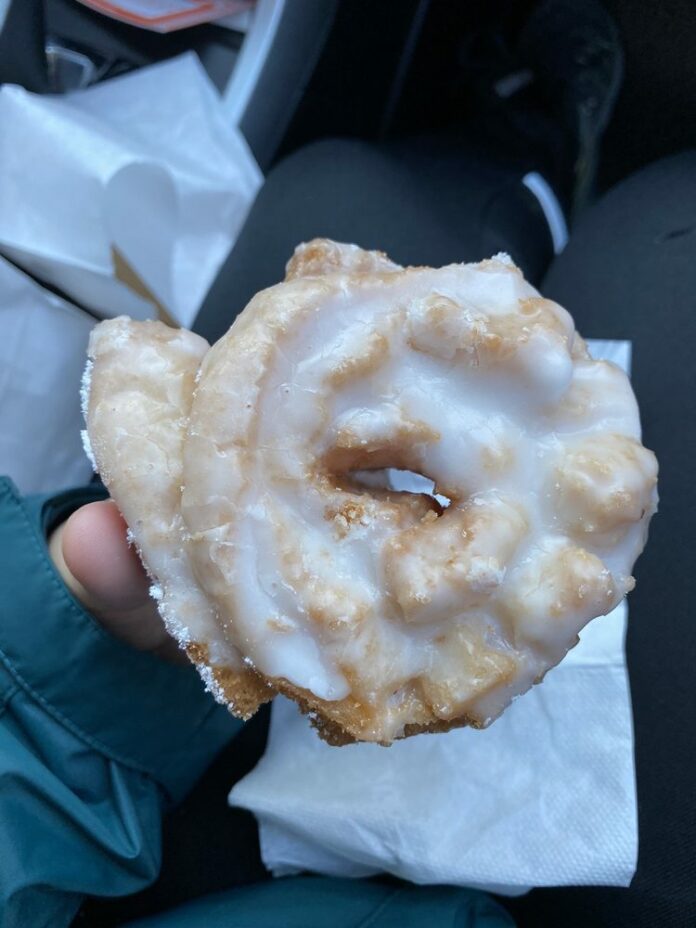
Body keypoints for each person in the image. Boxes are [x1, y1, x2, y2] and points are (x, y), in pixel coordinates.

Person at [1, 138, 694, 928]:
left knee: (343, 181)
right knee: (668, 231)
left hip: (111, 781)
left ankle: (532, 149)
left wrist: (50, 691)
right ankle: (537, 150)